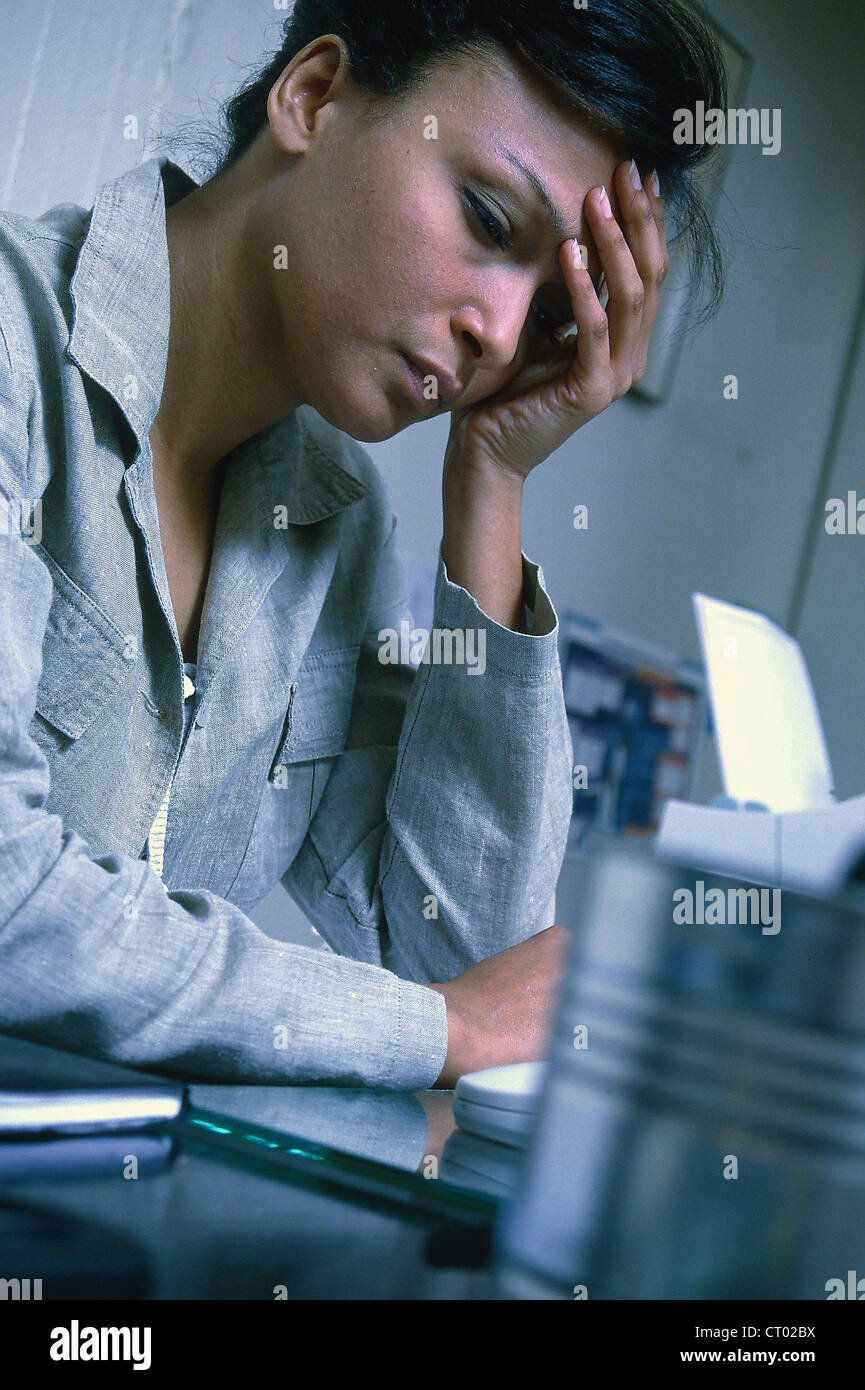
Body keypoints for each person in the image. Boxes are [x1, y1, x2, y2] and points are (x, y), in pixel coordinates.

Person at [0, 0, 726, 1088]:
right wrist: (435, 1029)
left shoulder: (332, 531)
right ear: (314, 96)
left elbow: (464, 963)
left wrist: (492, 477)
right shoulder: (15, 354)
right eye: (489, 220)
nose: (496, 334)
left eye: (546, 320)